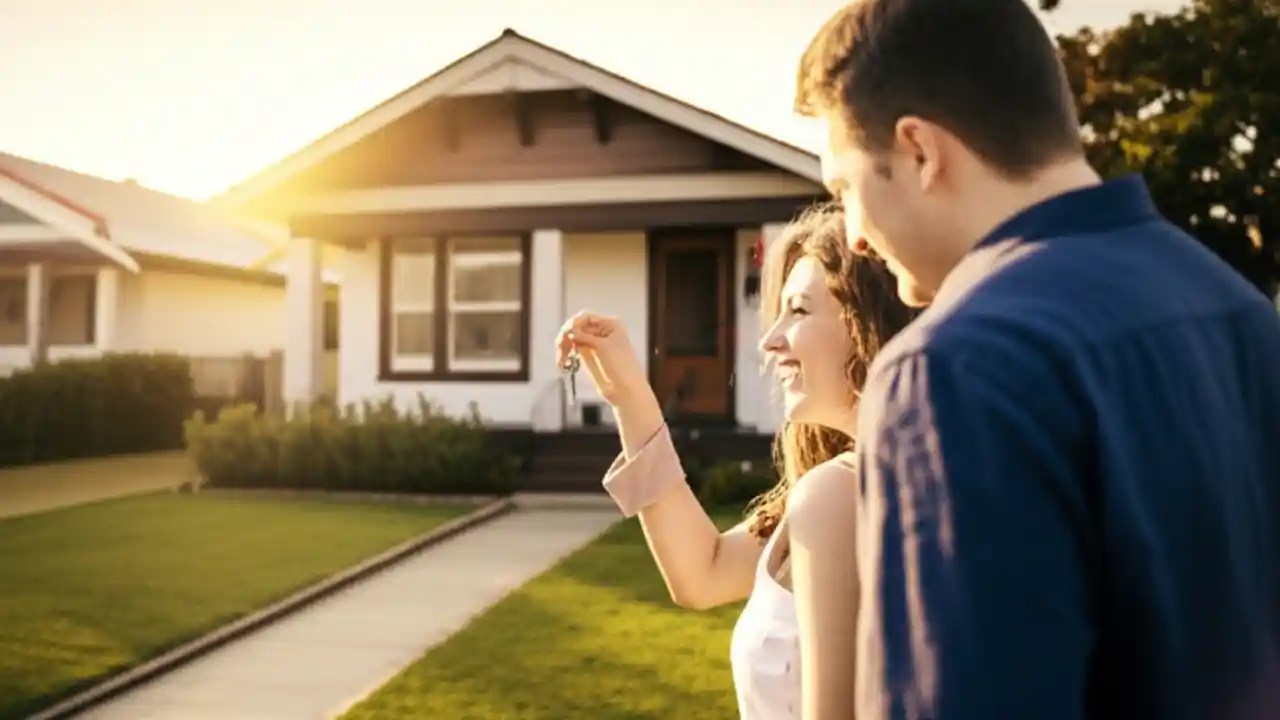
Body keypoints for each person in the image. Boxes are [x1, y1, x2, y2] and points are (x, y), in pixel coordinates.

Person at [793, 1, 1280, 718]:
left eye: (845, 189)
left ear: (920, 150)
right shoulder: (1239, 312)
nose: (855, 237)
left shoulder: (953, 367)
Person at [555, 204, 913, 719]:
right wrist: (630, 396)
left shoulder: (839, 492)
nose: (770, 341)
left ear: (868, 323)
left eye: (800, 310)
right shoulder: (848, 489)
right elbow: (702, 572)